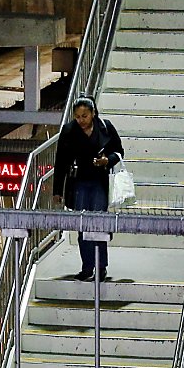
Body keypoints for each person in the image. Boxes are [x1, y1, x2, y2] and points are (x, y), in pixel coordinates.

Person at [52, 96, 124, 281]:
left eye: (84, 116)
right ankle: (87, 267)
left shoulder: (105, 127)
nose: (81, 120)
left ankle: (101, 267)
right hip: (79, 184)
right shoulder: (69, 131)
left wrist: (107, 161)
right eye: (77, 117)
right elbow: (60, 162)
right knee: (83, 227)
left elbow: (119, 151)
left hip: (99, 182)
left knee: (99, 225)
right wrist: (57, 191)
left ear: (93, 113)